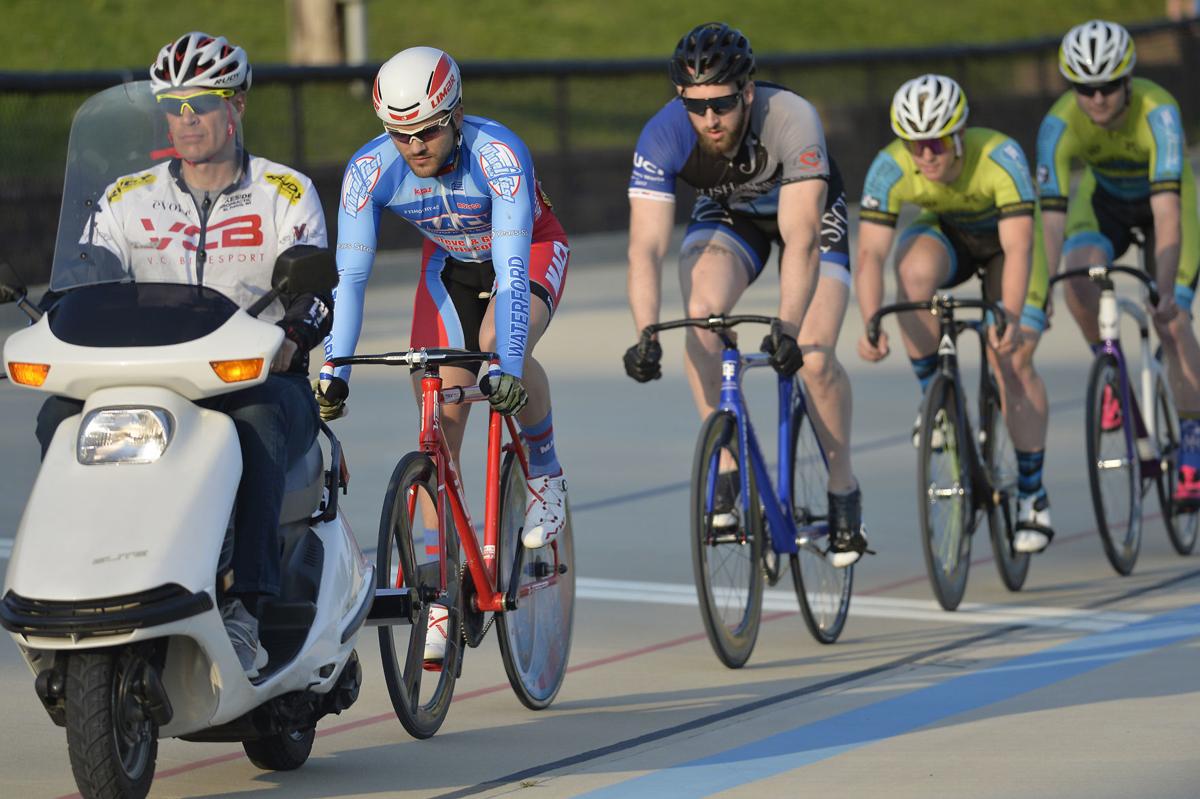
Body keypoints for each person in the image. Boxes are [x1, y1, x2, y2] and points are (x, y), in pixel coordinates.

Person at [35, 32, 331, 677]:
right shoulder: (124, 198)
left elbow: (317, 298)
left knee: (253, 425)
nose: (186, 118)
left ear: (238, 107)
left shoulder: (285, 192)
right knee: (57, 420)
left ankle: (249, 610)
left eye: (201, 102)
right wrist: (46, 325)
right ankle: (69, 586)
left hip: (255, 385)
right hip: (146, 382)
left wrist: (293, 339)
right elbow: (76, 285)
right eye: (174, 104)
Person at [318, 46, 571, 667]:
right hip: (449, 264)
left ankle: (544, 469)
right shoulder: (368, 172)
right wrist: (334, 369)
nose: (416, 146)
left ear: (456, 113)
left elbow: (511, 274)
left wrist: (506, 367)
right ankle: (438, 586)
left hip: (528, 253)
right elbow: (349, 281)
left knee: (491, 345)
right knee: (435, 418)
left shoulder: (499, 155)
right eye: (400, 135)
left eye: (429, 129)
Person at [622, 22, 867, 567]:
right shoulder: (663, 135)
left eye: (724, 104)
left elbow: (801, 242)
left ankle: (843, 484)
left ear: (748, 92)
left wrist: (787, 327)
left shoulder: (792, 118)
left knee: (816, 359)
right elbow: (645, 248)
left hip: (807, 215)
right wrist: (645, 333)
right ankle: (729, 473)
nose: (710, 119)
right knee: (700, 317)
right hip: (732, 215)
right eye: (696, 106)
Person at [855, 74, 1055, 554]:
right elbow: (869, 257)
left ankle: (1032, 494)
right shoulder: (890, 166)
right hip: (950, 238)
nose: (926, 155)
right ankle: (936, 401)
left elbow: (1020, 246)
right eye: (915, 144)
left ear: (959, 134)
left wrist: (1006, 316)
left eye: (937, 142)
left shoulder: (1000, 157)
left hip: (1007, 250)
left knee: (1011, 359)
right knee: (910, 276)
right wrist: (870, 320)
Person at [1037, 19, 1200, 508]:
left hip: (1163, 207)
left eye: (1108, 86)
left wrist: (1165, 290)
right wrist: (1037, 295)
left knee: (1171, 323)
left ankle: (1192, 437)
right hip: (1103, 202)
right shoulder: (1058, 124)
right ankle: (1111, 374)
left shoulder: (1159, 112)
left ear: (1128, 81)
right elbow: (1051, 221)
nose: (1097, 99)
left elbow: (1167, 213)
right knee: (1077, 282)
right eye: (1084, 88)